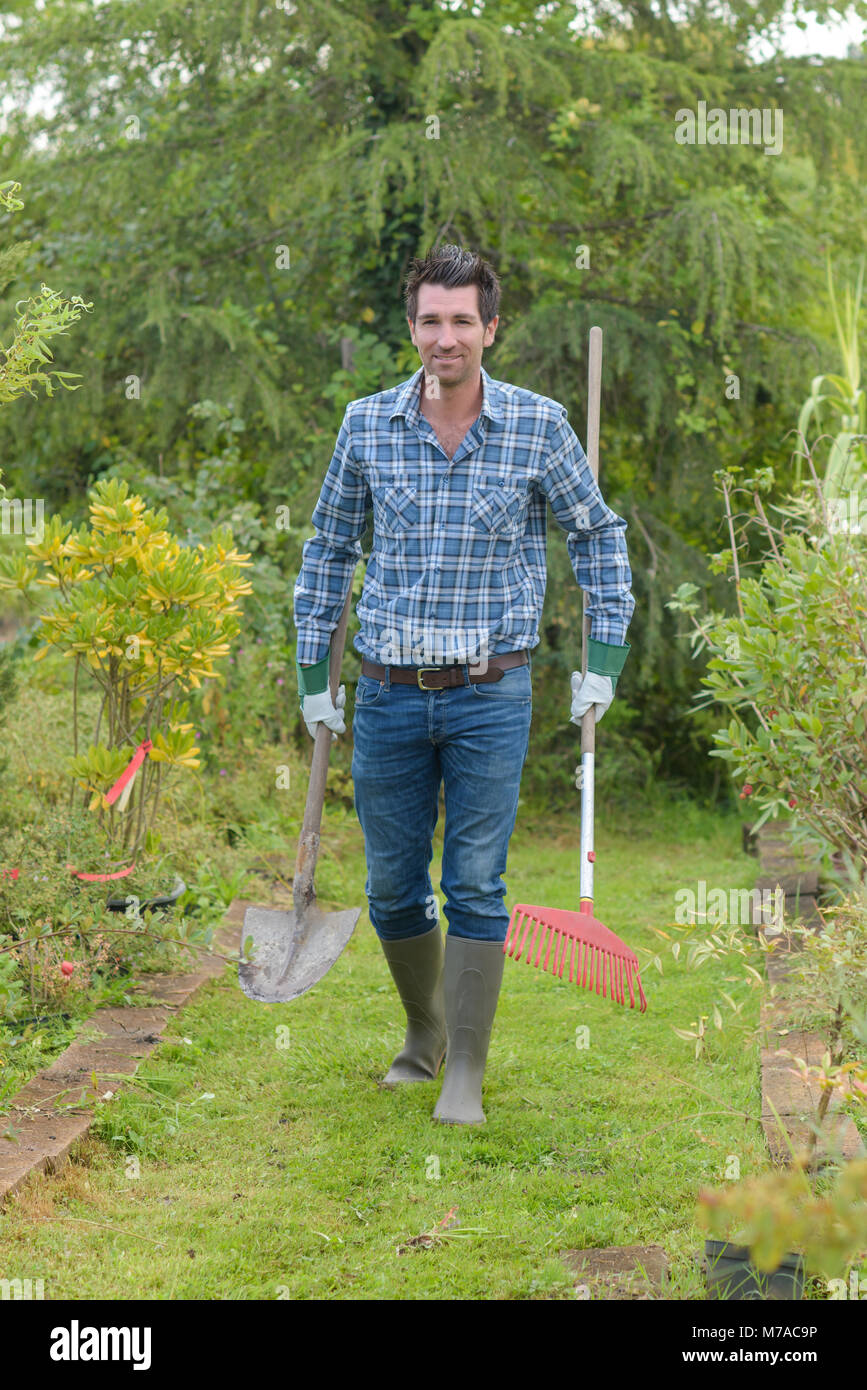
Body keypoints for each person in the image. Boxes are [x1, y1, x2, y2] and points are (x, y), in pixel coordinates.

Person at [294, 244, 634, 1124]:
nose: (445, 338)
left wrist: (603, 662)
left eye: (461, 321)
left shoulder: (537, 425)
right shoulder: (366, 425)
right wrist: (310, 675)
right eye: (430, 321)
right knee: (392, 885)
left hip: (492, 691)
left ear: (490, 327)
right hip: (389, 691)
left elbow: (595, 537)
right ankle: (424, 1035)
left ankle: (465, 1073)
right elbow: (329, 550)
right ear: (411, 327)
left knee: (476, 882)